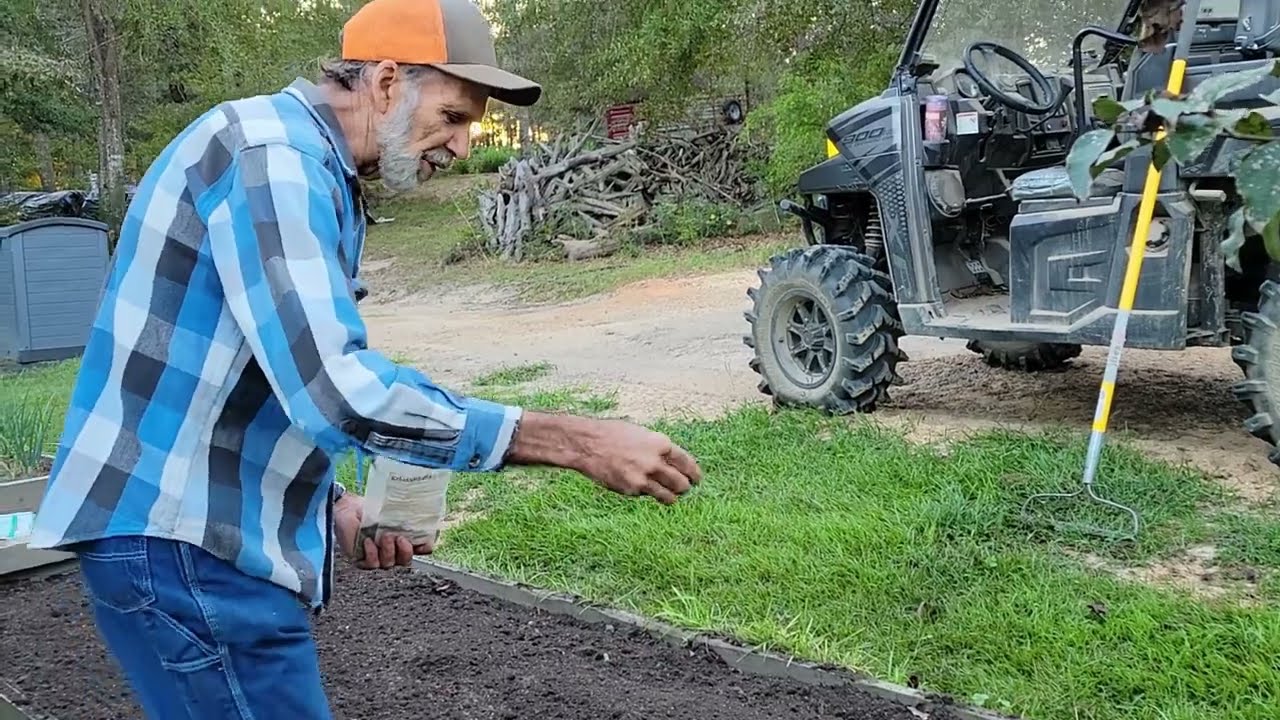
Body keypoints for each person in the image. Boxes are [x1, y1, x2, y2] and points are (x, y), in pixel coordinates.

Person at [26, 0, 702, 717]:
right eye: (454, 116)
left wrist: (331, 504)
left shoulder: (304, 163)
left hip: (187, 540)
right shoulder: (274, 161)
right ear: (384, 83)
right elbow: (336, 390)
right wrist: (577, 440)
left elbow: (254, 374)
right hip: (189, 549)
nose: (465, 145)